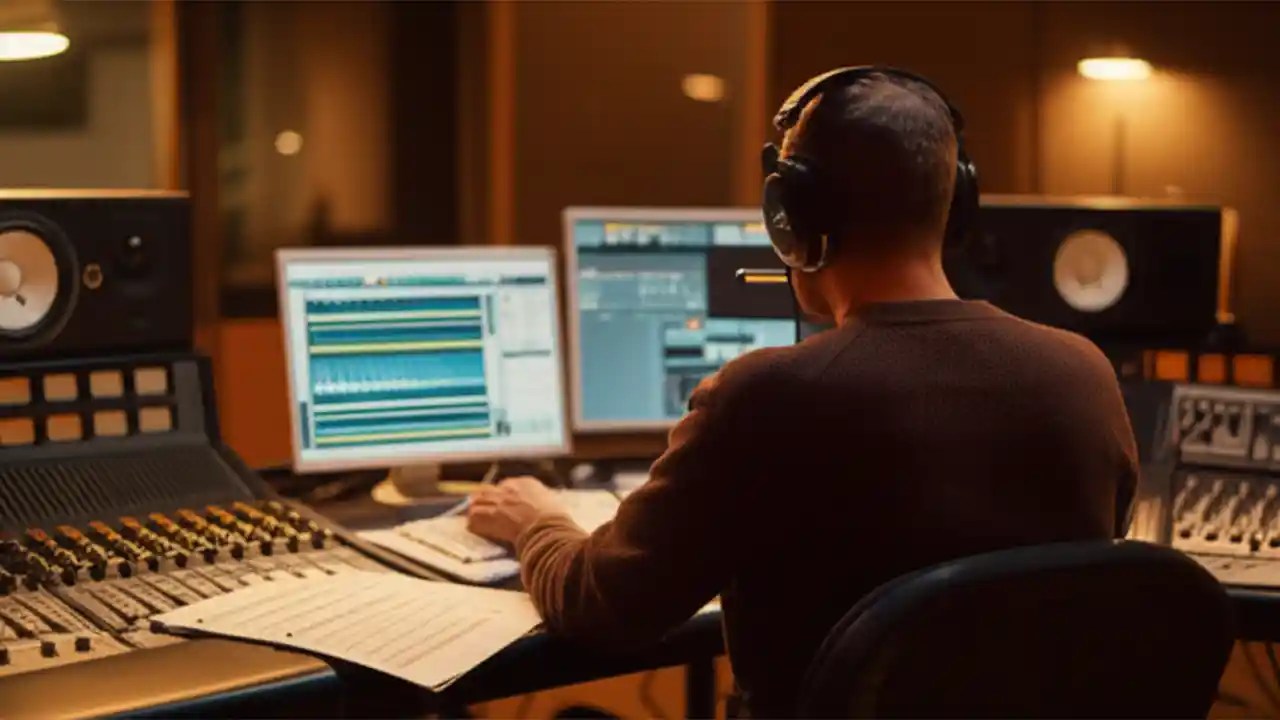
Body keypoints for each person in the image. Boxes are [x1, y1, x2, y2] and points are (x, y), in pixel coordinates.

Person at [468, 69, 1138, 718]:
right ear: (955, 204)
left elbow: (603, 607)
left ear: (792, 216)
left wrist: (537, 522)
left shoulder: (767, 396)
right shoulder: (1084, 375)